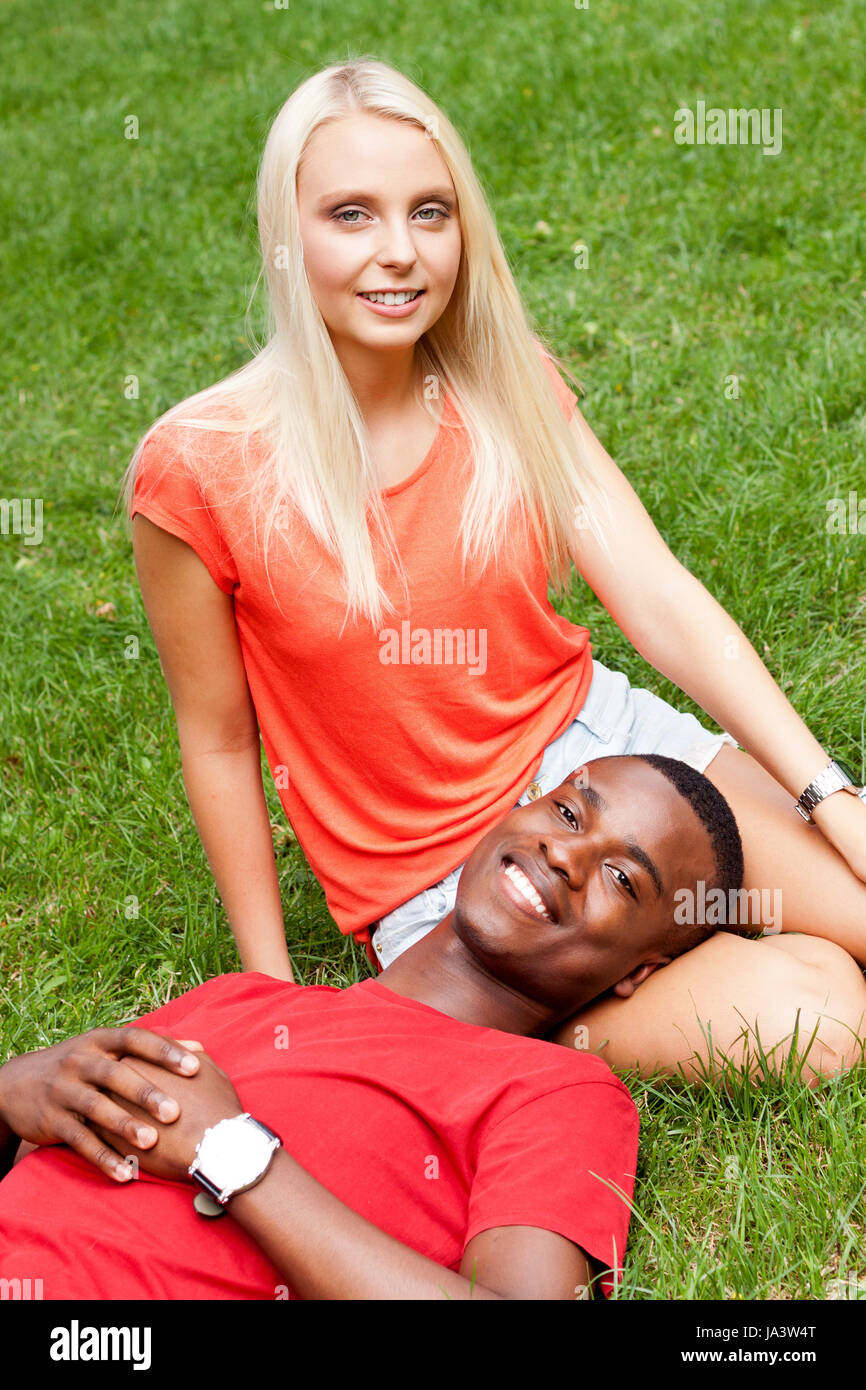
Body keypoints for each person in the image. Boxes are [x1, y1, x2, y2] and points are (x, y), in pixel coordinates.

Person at [120, 56, 866, 1083]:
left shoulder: (507, 384)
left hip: (610, 768)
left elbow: (655, 596)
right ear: (286, 235)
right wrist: (271, 994)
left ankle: (662, 940)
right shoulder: (195, 465)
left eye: (429, 213)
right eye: (350, 214)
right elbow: (216, 737)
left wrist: (828, 796)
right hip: (453, 886)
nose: (398, 253)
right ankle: (559, 995)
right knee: (816, 1020)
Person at [0, 755, 743, 1301]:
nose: (566, 852)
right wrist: (14, 1092)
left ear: (637, 971)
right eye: (569, 811)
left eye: (623, 879)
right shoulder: (241, 1000)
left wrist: (234, 1155)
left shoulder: (560, 1092)